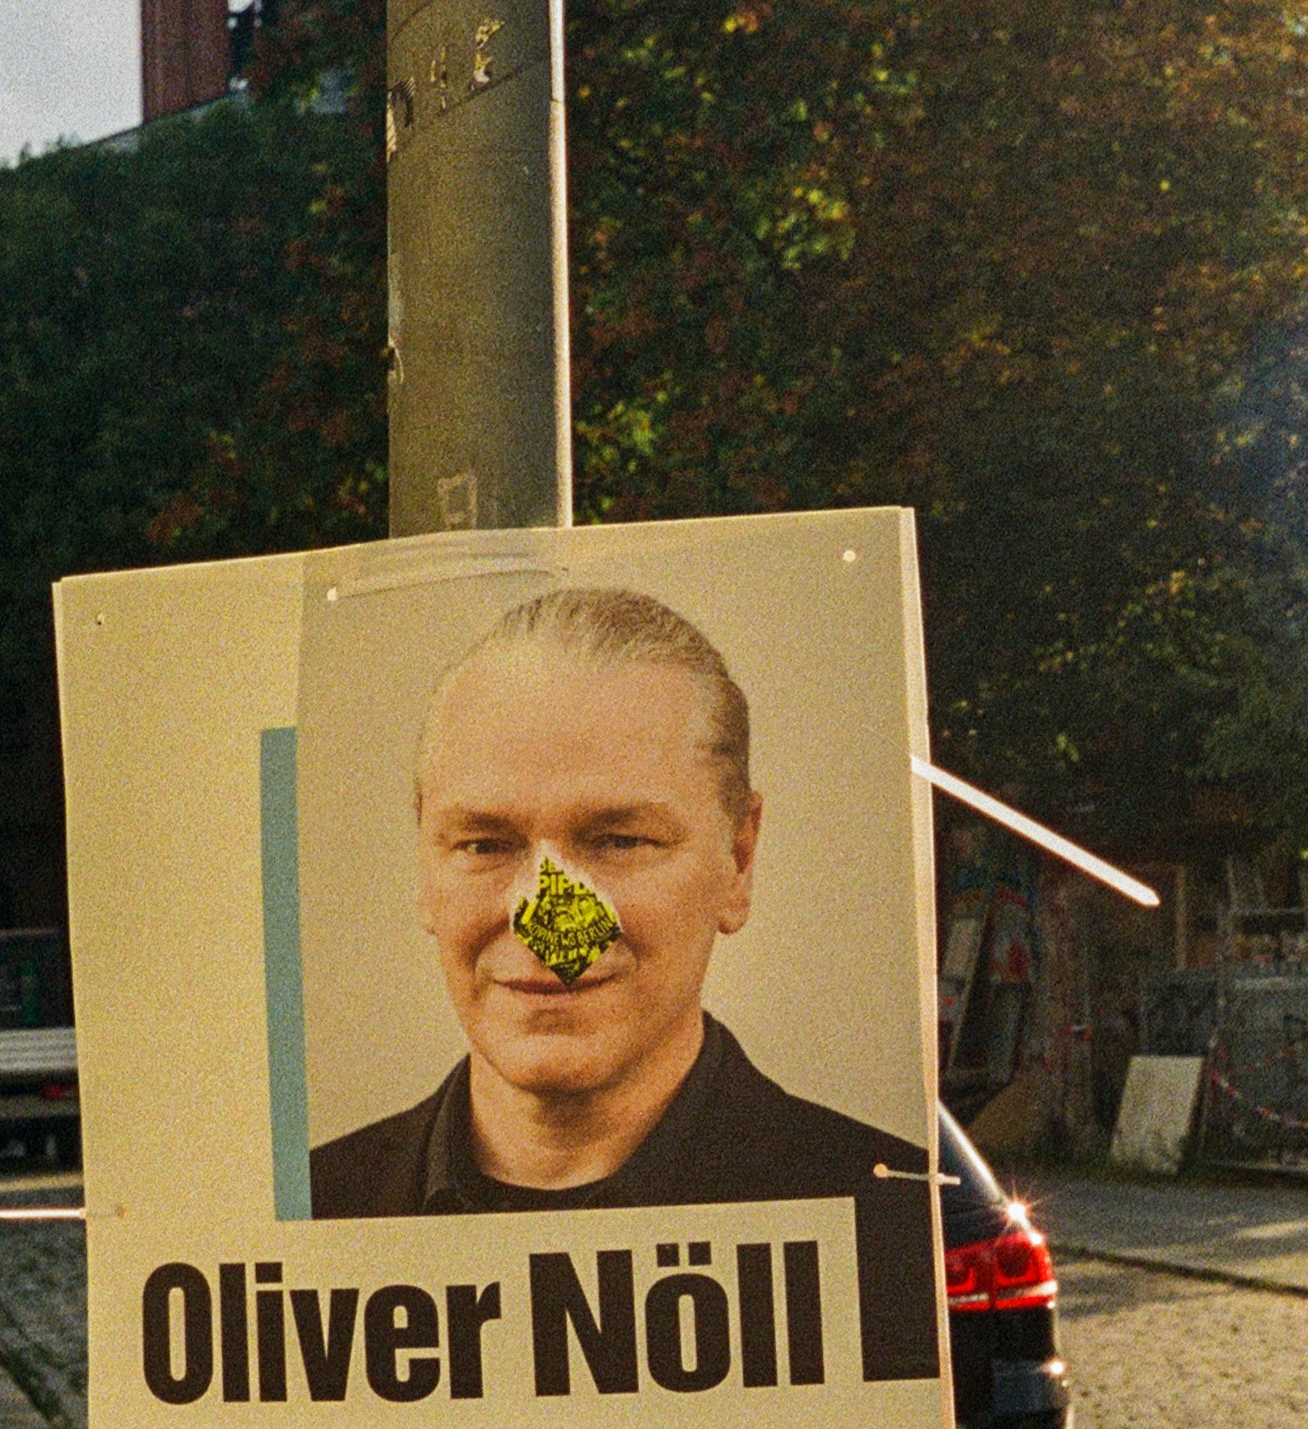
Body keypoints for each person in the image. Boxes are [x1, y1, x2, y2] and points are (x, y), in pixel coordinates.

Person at [309, 585, 937, 1379]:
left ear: (739, 860)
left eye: (619, 841)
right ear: (425, 867)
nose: (550, 921)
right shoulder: (305, 1217)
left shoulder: (898, 1229)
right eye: (484, 845)